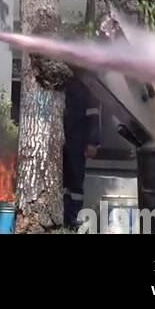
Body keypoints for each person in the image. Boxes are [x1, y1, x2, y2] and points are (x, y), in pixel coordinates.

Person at [63, 76, 101, 228]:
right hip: (61, 140)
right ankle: (64, 217)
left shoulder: (86, 87)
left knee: (75, 181)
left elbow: (93, 116)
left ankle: (72, 219)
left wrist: (93, 142)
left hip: (77, 142)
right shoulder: (59, 84)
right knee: (63, 182)